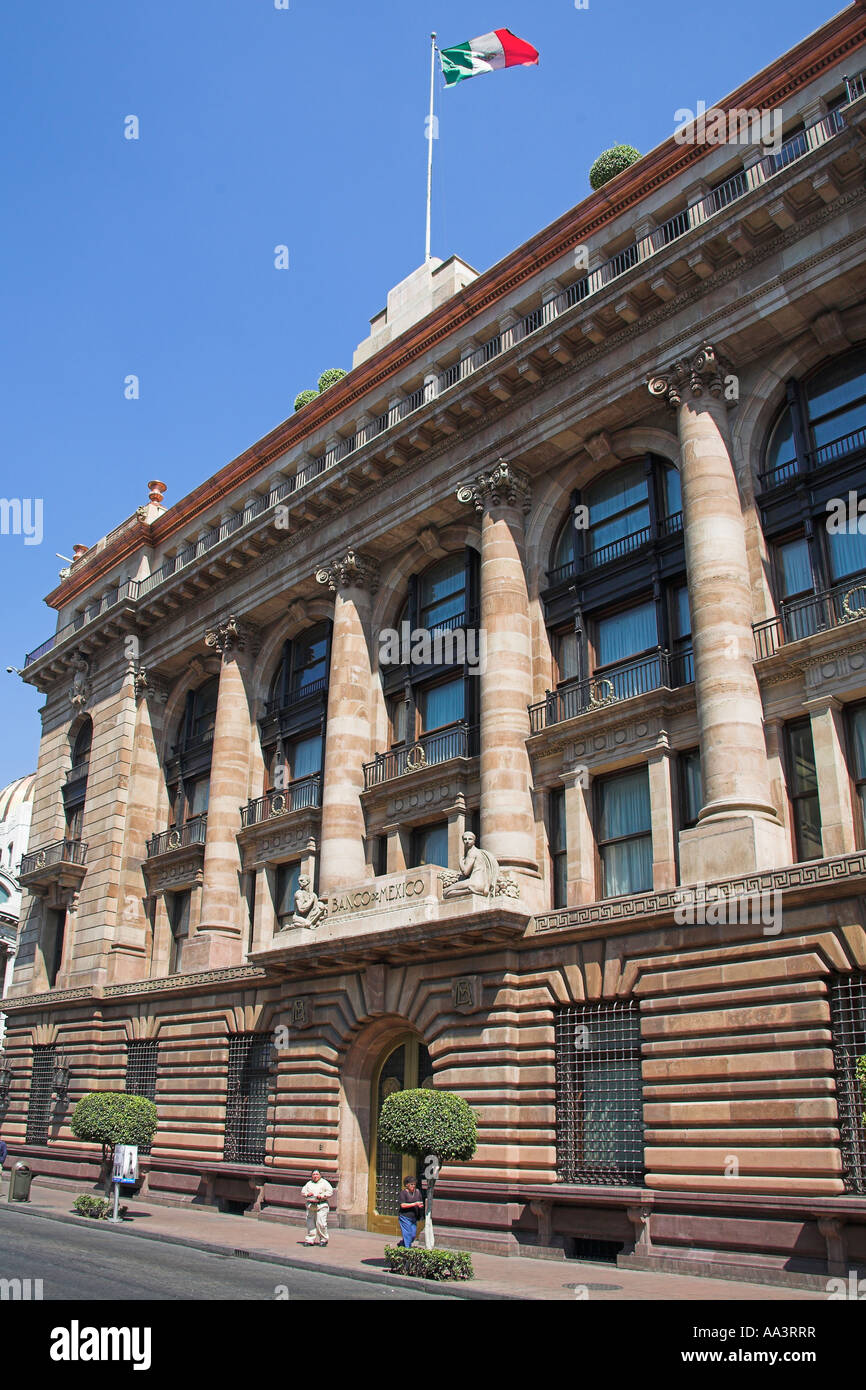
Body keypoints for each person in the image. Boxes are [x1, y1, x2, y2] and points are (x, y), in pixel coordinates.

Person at [301, 1169, 334, 1246]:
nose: (315, 1176)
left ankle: (324, 1239)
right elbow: (303, 1192)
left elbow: (330, 1192)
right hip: (311, 1205)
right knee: (310, 1223)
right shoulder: (309, 1183)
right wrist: (307, 1194)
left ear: (320, 1175)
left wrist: (322, 1196)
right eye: (314, 1174)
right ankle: (310, 1239)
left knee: (321, 1223)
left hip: (321, 1205)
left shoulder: (324, 1183)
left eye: (317, 1174)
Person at [397, 1174, 424, 1248]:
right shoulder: (403, 1193)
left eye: (414, 1184)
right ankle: (407, 1250)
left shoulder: (417, 1192)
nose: (413, 1186)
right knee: (408, 1234)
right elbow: (403, 1205)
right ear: (407, 1185)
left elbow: (420, 1202)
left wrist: (420, 1209)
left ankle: (402, 1244)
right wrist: (415, 1204)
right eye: (411, 1184)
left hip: (413, 1217)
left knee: (413, 1235)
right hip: (405, 1217)